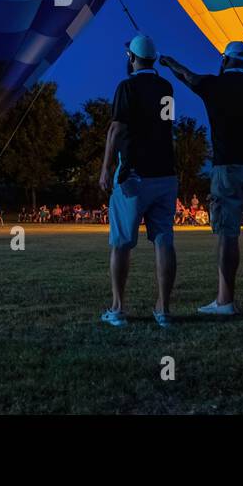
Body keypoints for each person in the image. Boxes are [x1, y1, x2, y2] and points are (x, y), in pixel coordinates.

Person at [161, 40, 243, 319]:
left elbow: (188, 76)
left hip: (228, 169)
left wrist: (169, 62)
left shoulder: (214, 85)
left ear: (224, 60)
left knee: (227, 235)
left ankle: (225, 301)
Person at [100, 34, 178, 328]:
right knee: (163, 241)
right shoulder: (166, 87)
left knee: (121, 243)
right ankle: (164, 309)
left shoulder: (126, 87)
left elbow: (116, 129)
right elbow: (168, 129)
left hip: (134, 175)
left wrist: (106, 168)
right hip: (165, 174)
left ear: (131, 58)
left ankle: (118, 309)